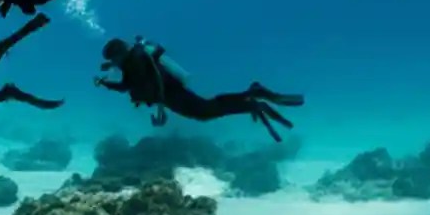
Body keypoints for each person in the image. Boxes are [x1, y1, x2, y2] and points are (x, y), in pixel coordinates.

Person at [94, 36, 304, 142]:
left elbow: (154, 79)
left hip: (172, 94)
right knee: (206, 108)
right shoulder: (132, 62)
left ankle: (252, 100)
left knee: (205, 111)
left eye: (114, 58)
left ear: (120, 53)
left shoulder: (136, 61)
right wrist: (105, 83)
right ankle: (251, 96)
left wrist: (160, 110)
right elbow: (126, 86)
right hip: (170, 95)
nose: (114, 62)